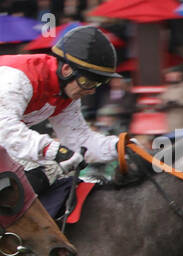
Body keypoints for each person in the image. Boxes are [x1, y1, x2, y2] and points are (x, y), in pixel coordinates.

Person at [0, 24, 124, 209]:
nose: (90, 91)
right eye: (87, 82)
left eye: (97, 85)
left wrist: (119, 147)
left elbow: (79, 140)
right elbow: (4, 130)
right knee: (43, 170)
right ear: (66, 69)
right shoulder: (18, 78)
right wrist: (53, 150)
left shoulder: (66, 94)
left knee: (48, 171)